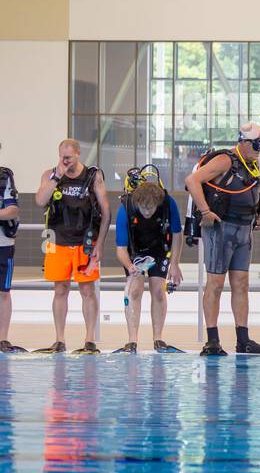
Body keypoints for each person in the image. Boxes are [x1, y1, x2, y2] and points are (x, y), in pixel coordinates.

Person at [185, 122, 260, 356]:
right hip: (221, 228)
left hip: (243, 229)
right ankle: (212, 340)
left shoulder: (253, 162)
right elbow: (192, 181)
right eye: (259, 144)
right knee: (216, 284)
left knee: (241, 284)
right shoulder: (226, 160)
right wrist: (205, 211)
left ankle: (243, 339)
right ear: (244, 142)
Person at [33, 139, 110, 354]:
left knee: (87, 290)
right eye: (62, 156)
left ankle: (89, 340)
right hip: (57, 242)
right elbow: (40, 200)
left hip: (85, 242)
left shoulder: (94, 176)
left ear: (78, 154)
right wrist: (57, 176)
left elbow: (106, 210)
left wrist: (100, 244)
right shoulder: (51, 174)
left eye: (68, 156)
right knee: (60, 289)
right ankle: (59, 340)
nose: (65, 160)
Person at [112, 169, 185, 353]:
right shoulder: (126, 208)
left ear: (157, 203)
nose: (146, 212)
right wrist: (130, 266)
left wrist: (175, 263)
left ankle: (158, 339)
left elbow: (177, 235)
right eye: (143, 208)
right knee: (134, 291)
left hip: (159, 248)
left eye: (150, 209)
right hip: (135, 250)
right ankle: (132, 340)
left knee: (159, 291)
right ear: (137, 202)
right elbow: (120, 249)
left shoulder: (168, 204)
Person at [0, 164, 23, 353]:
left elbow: (13, 210)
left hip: (3, 245)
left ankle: (3, 338)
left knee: (3, 292)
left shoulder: (4, 178)